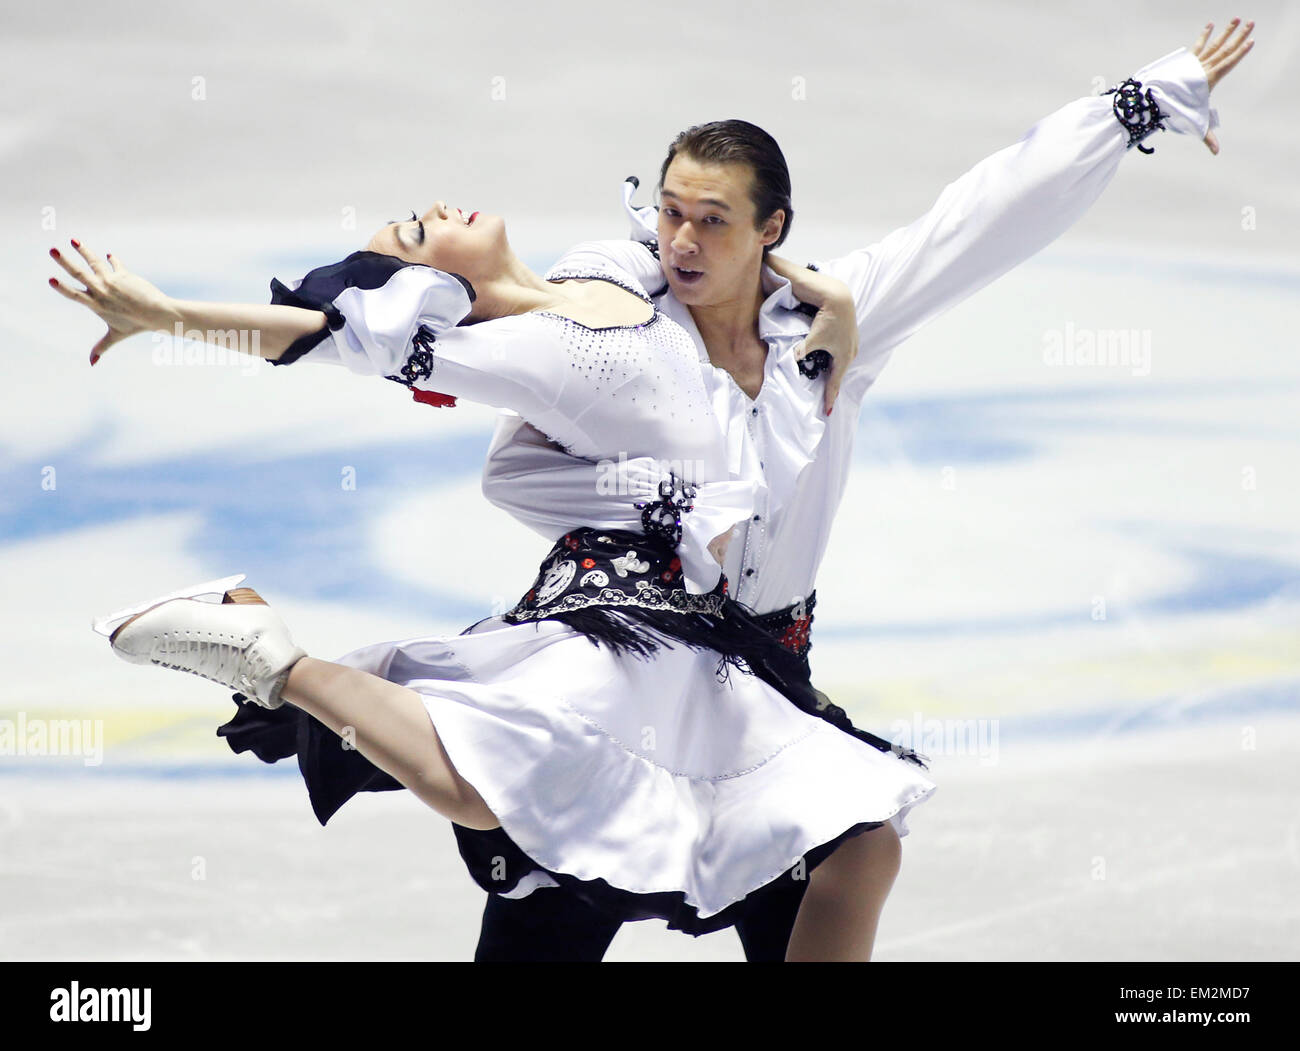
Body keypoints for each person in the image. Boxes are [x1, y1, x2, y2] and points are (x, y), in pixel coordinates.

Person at [453, 22, 1256, 960]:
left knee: (843, 847)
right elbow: (510, 471)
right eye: (671, 211)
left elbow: (978, 219)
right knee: (549, 911)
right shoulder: (617, 324)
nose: (682, 239)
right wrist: (662, 503)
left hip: (767, 701)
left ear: (771, 229)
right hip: (629, 689)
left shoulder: (831, 321)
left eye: (712, 219)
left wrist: (1131, 110)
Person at [57, 198, 934, 961]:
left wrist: (825, 287)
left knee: (848, 844)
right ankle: (277, 661)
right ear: (425, 287)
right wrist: (171, 315)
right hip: (627, 621)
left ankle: (283, 662)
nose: (436, 208)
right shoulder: (534, 349)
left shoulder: (610, 266)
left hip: (700, 645)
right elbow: (328, 341)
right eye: (416, 229)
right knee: (494, 786)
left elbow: (718, 229)